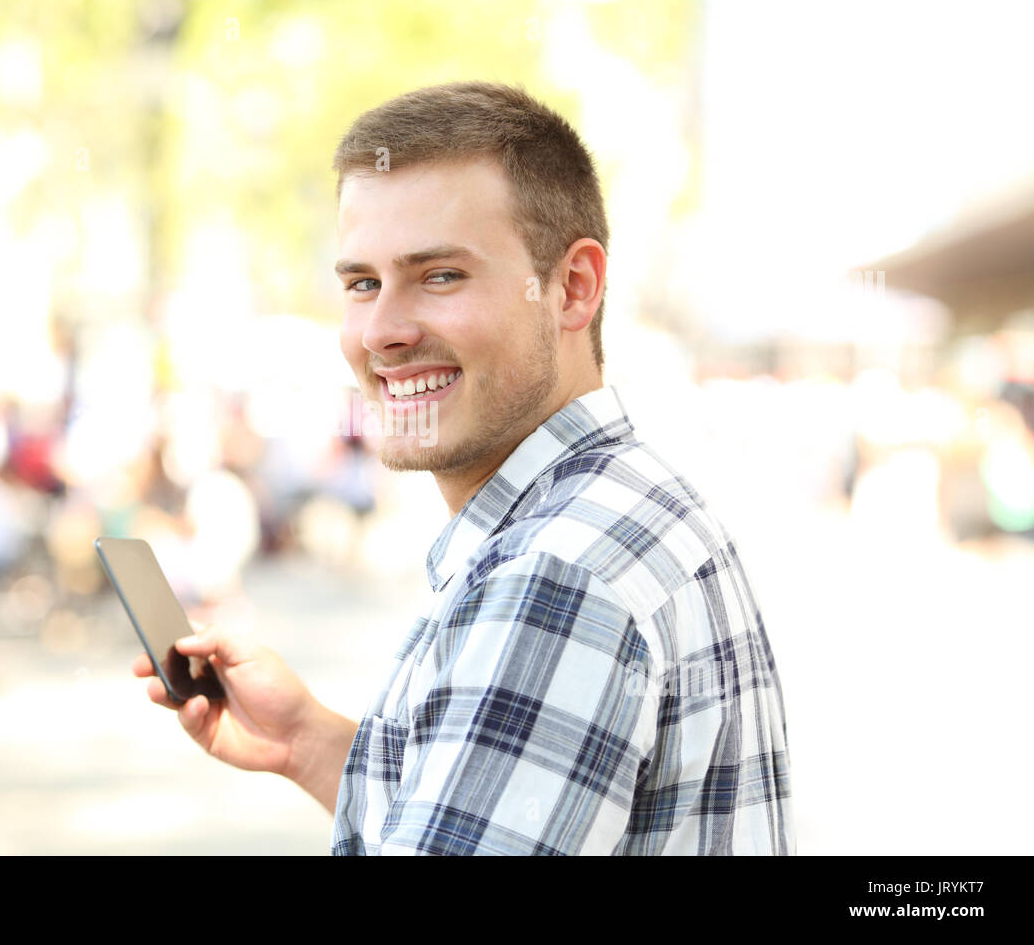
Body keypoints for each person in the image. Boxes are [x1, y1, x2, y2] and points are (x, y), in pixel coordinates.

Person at [133, 82, 795, 854]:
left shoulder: (555, 577)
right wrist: (309, 745)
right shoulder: (633, 499)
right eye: (362, 284)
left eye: (440, 275)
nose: (381, 332)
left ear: (572, 288)